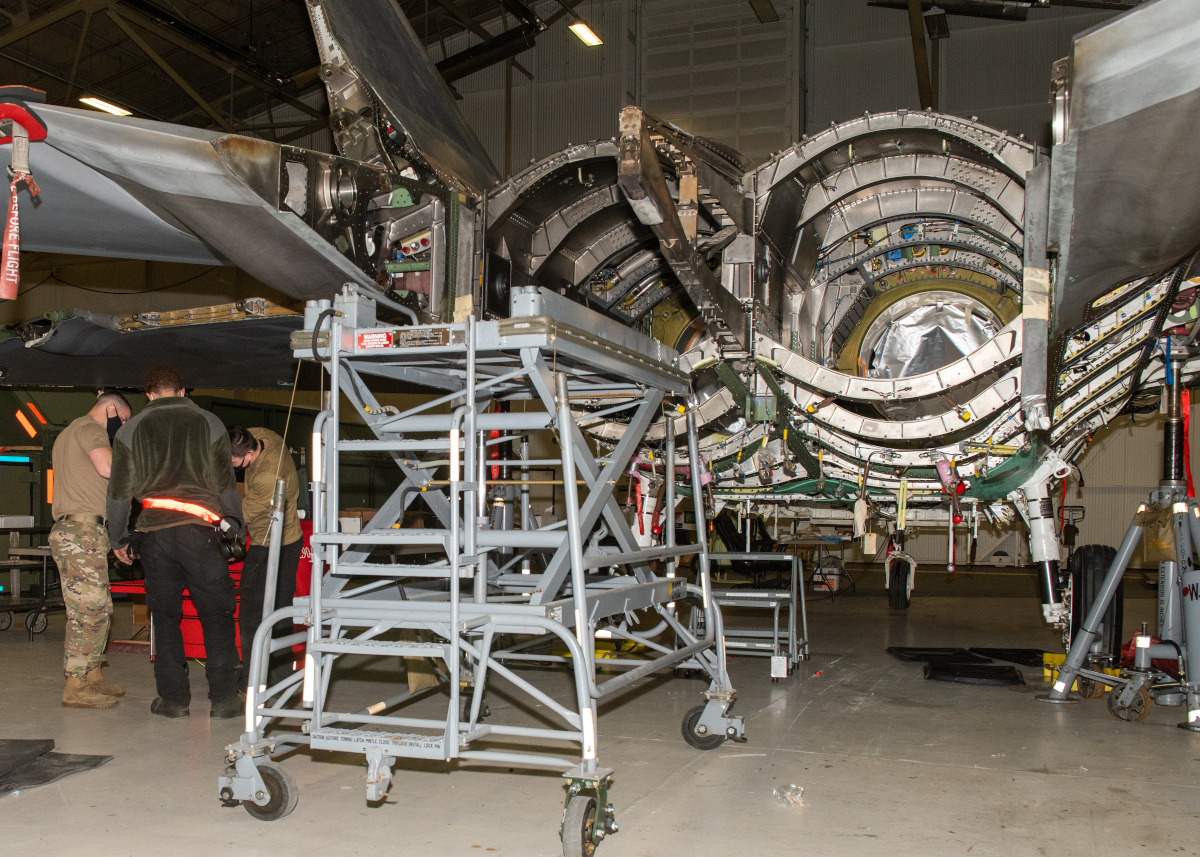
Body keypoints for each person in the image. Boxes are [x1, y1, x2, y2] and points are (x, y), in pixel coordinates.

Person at [107, 365, 245, 719]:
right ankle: (225, 700)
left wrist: (118, 537)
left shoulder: (130, 430)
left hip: (154, 538)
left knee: (165, 618)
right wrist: (237, 527)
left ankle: (173, 700)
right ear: (184, 392)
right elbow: (225, 484)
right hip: (201, 535)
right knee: (216, 614)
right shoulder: (209, 422)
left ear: (149, 396)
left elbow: (119, 492)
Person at [50, 391, 132, 709]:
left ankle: (92, 675)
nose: (121, 426)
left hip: (84, 531)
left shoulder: (70, 432)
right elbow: (108, 468)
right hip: (80, 531)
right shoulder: (91, 428)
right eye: (122, 419)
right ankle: (76, 685)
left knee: (96, 609)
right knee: (89, 612)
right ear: (110, 409)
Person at [227, 424, 302, 684]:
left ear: (248, 453)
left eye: (234, 461)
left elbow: (242, 515)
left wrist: (213, 523)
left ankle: (254, 679)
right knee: (279, 609)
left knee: (252, 614)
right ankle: (278, 678)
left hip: (272, 543)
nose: (232, 465)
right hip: (286, 538)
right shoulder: (261, 434)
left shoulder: (267, 475)